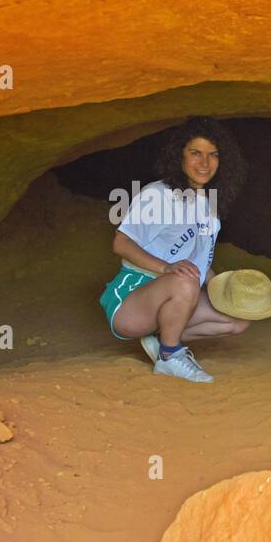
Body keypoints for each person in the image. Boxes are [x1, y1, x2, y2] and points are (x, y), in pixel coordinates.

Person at [99, 116, 250, 383]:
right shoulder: (158, 195)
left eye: (213, 155)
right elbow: (120, 243)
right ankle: (169, 356)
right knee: (185, 282)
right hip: (131, 302)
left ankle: (160, 338)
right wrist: (165, 268)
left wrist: (222, 288)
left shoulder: (208, 203)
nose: (205, 163)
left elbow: (199, 261)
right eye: (196, 153)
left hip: (177, 292)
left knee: (237, 319)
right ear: (179, 156)